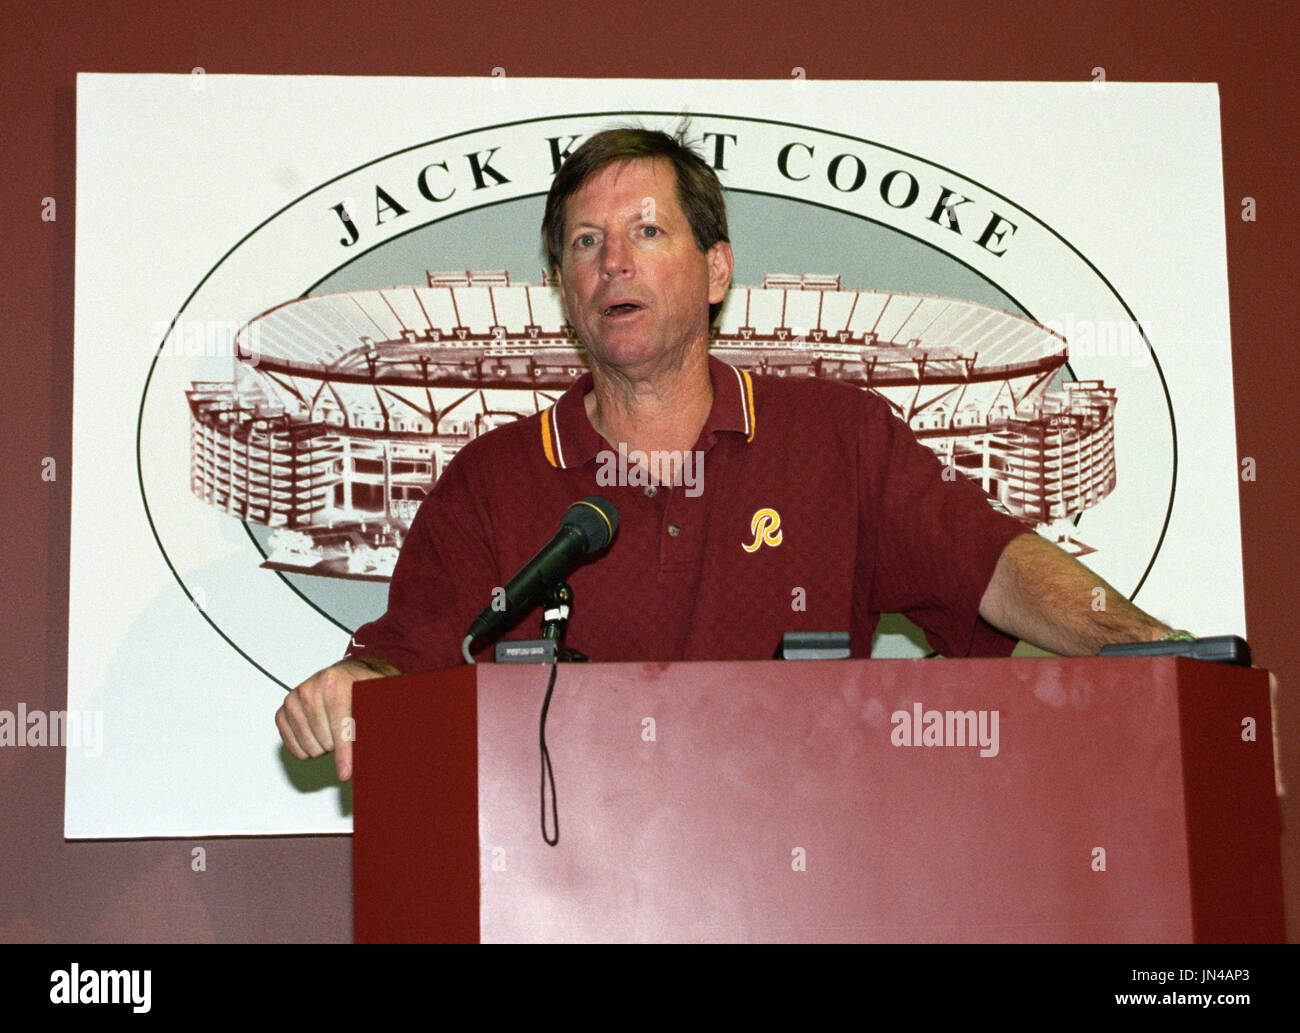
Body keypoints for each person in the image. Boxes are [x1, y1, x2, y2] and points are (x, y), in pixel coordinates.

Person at [276, 127, 1178, 782]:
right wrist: (356, 684)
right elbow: (407, 661)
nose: (613, 265)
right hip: (563, 890)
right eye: (584, 245)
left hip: (809, 872)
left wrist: (1141, 641)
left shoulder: (836, 438)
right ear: (561, 289)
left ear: (717, 271)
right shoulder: (491, 482)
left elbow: (992, 566)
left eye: (646, 232)